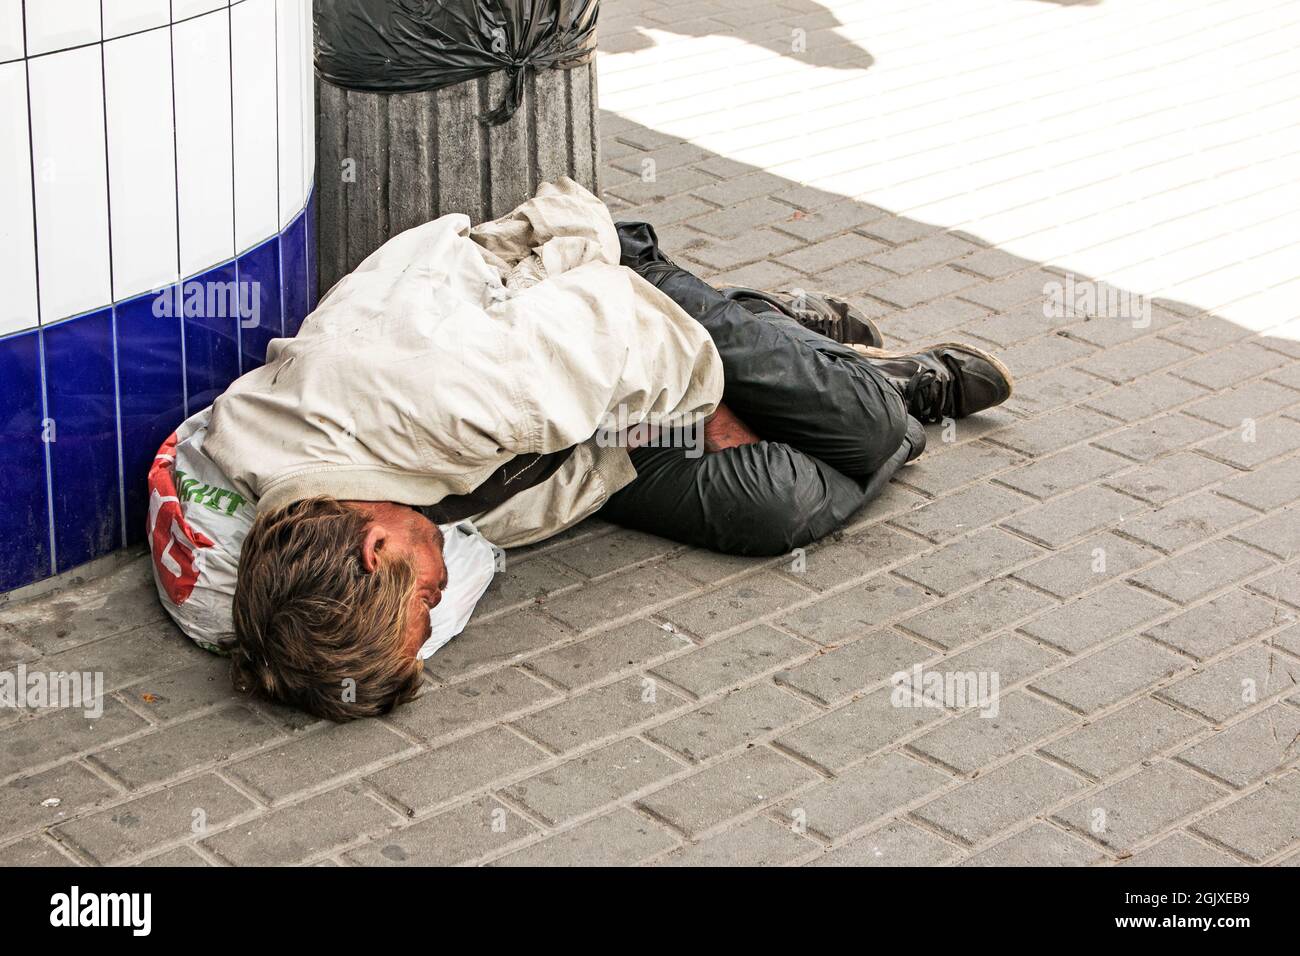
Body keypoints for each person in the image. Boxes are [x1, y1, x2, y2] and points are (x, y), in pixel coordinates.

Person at [209, 179, 1011, 720]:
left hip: (617, 298)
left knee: (861, 432)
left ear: (376, 538)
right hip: (580, 431)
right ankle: (807, 350)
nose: (441, 598)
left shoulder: (471, 403)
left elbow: (635, 335)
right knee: (777, 505)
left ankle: (875, 387)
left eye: (423, 602)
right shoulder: (272, 496)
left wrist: (711, 416)